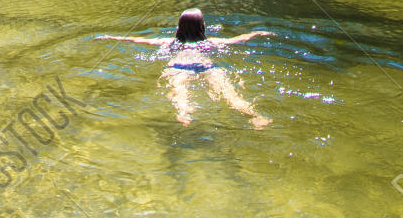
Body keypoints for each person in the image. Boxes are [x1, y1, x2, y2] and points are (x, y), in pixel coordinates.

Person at [98, 7, 272, 129]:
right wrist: (256, 33)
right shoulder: (211, 43)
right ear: (203, 27)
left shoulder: (170, 43)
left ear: (179, 27)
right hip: (207, 67)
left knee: (180, 93)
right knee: (231, 95)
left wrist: (112, 37)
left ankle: (184, 115)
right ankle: (256, 117)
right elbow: (238, 39)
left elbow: (137, 40)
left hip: (179, 67)